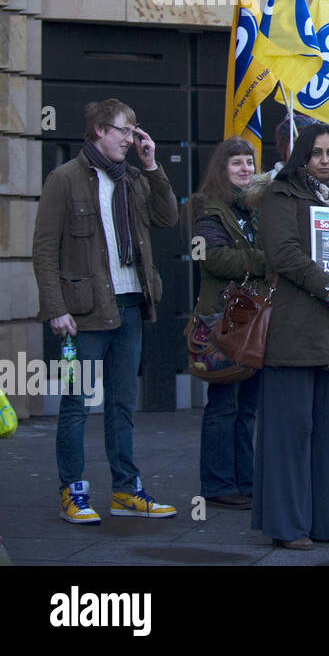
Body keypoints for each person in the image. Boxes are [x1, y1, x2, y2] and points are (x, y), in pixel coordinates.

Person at [34, 98, 179, 523]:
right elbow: (44, 250)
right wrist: (56, 309)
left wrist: (153, 167)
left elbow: (168, 216)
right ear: (99, 130)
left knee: (122, 403)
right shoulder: (65, 180)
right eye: (124, 131)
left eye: (135, 132)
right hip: (83, 315)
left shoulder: (134, 178)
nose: (132, 139)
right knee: (76, 402)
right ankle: (73, 491)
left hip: (132, 305)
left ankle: (125, 489)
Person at [255, 123, 329, 549]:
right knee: (292, 430)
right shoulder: (279, 195)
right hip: (293, 330)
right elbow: (283, 252)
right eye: (316, 153)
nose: (325, 161)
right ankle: (288, 526)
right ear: (301, 155)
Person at [192, 137, 268, 509]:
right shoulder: (209, 210)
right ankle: (218, 484)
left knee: (247, 405)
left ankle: (245, 480)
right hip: (223, 320)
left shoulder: (254, 208)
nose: (245, 169)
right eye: (236, 163)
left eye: (249, 163)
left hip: (252, 319)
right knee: (224, 403)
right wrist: (264, 260)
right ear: (222, 169)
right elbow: (213, 259)